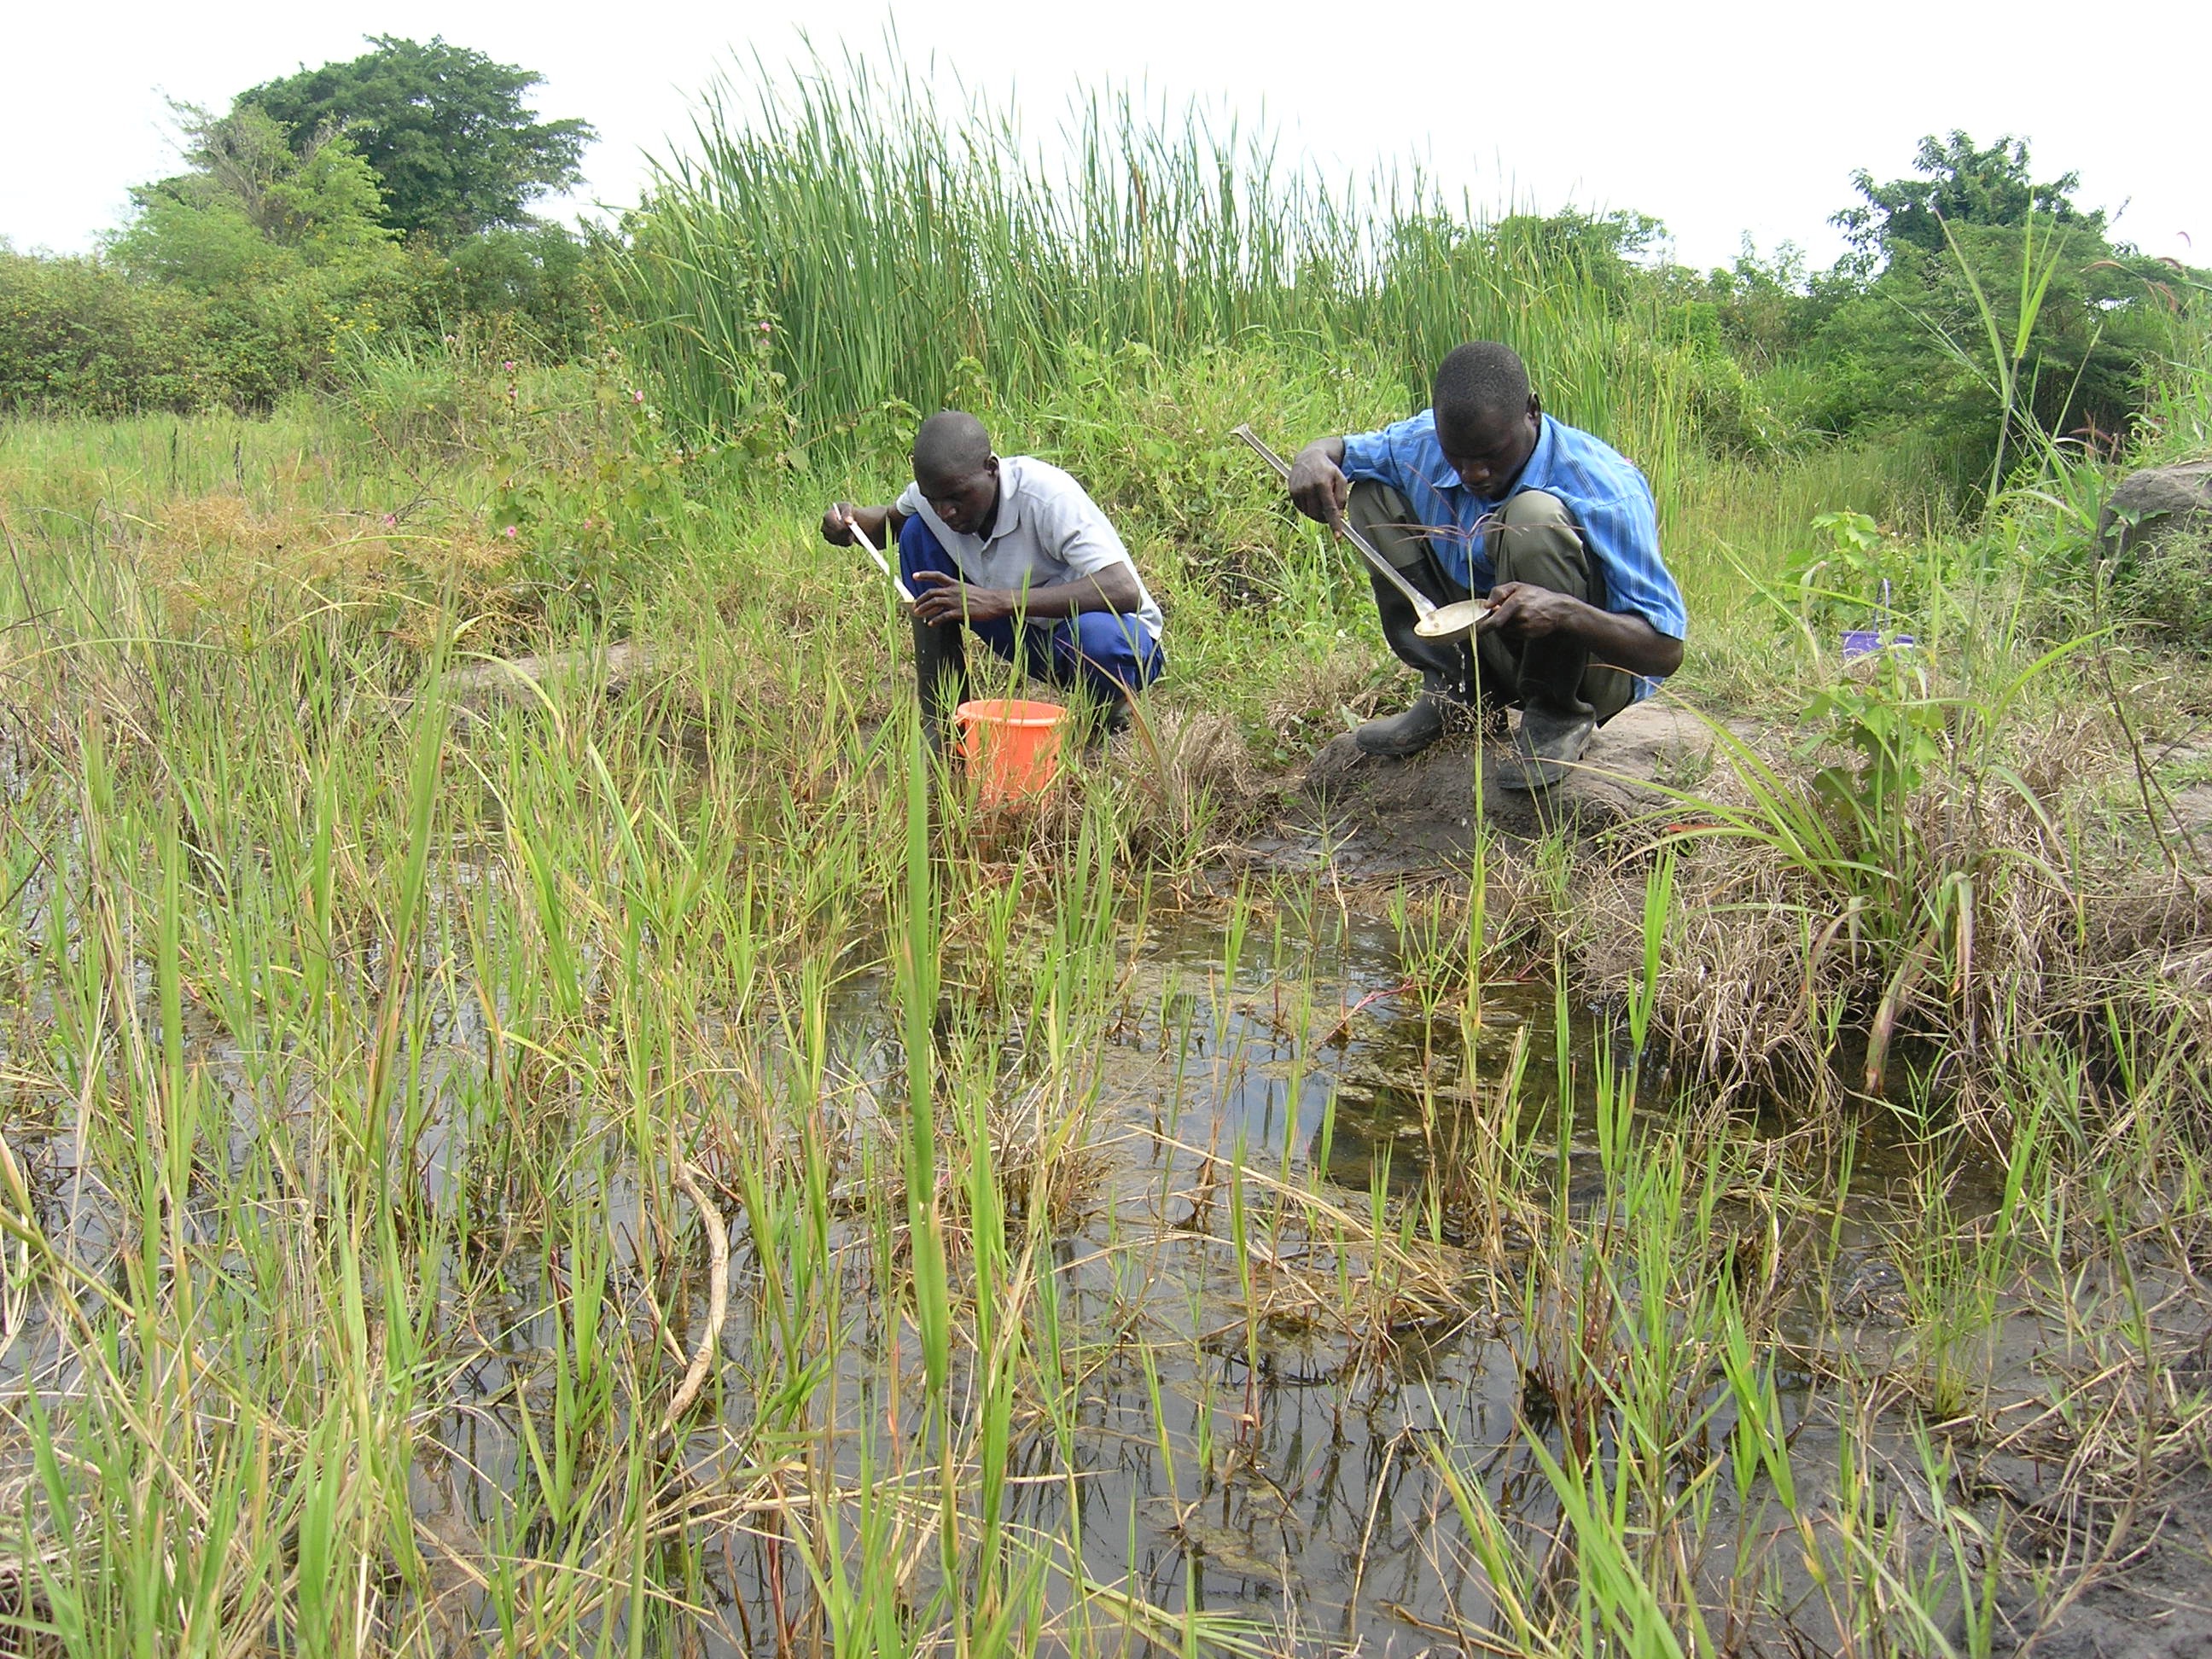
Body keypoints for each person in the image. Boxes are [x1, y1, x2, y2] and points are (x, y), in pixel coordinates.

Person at [1286, 341, 1686, 789]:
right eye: (1456, 457)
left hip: (1590, 671)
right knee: (1370, 495)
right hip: (1495, 645)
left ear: (1532, 412)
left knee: (1531, 515)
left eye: (1490, 455)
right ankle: (1455, 694)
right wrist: (1311, 458)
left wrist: (1563, 611)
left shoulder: (1604, 485)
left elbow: (1665, 652)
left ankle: (1556, 713)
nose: (1472, 474)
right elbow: (1338, 451)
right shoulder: (1422, 443)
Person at [823, 410, 1165, 751]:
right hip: (1025, 633)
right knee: (915, 532)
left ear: (991, 468)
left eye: (957, 497)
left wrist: (999, 601)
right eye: (934, 500)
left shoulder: (1046, 496)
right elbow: (889, 524)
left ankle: (1111, 720)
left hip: (1108, 644)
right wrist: (849, 523)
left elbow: (1123, 589)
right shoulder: (936, 496)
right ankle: (946, 718)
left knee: (1101, 639)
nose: (945, 512)